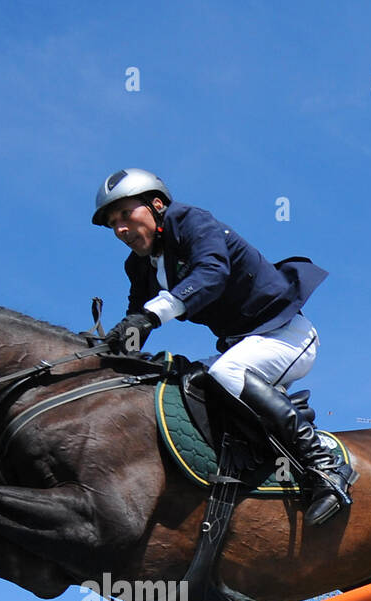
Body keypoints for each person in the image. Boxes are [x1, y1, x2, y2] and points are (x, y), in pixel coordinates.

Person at [92, 167, 354, 524]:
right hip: (245, 344)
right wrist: (111, 348)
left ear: (156, 205)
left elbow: (211, 273)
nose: (120, 229)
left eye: (125, 214)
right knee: (191, 383)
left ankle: (325, 466)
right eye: (112, 223)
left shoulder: (190, 221)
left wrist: (150, 317)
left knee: (225, 372)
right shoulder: (139, 266)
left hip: (286, 335)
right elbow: (137, 317)